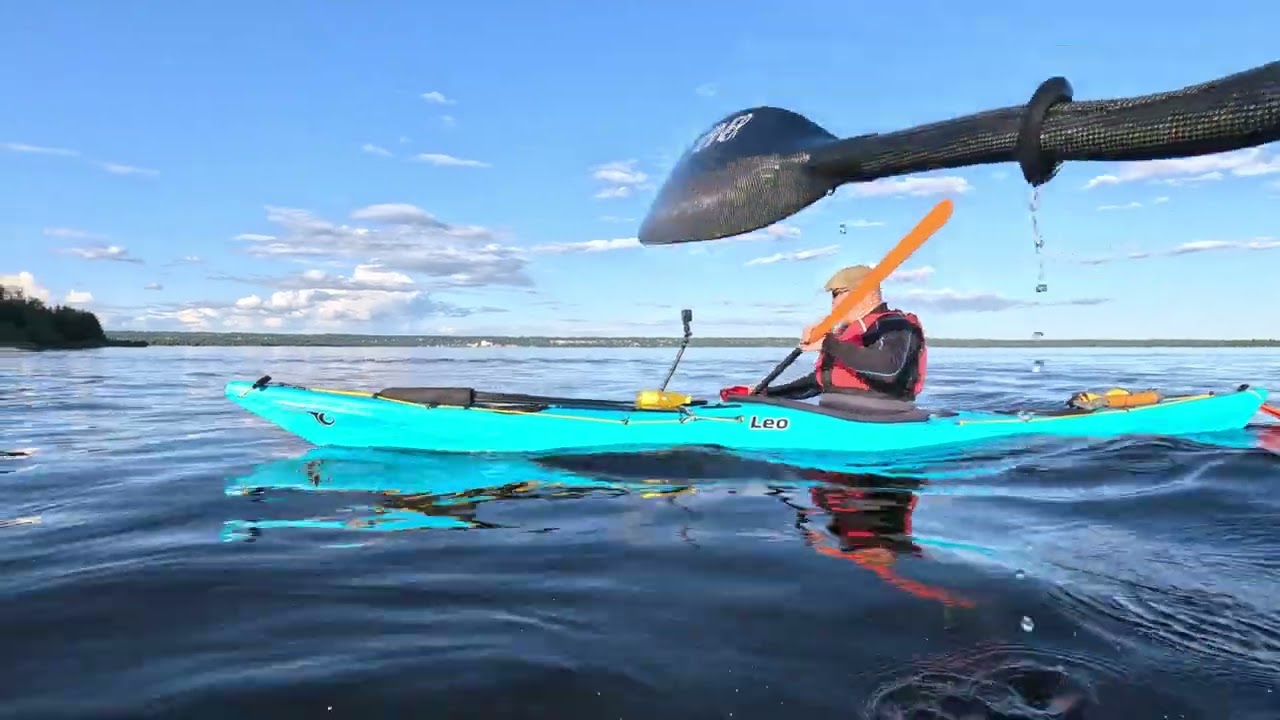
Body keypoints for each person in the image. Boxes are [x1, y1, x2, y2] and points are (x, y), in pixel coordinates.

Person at [757, 264, 927, 412]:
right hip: (835, 413)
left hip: (881, 416)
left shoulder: (895, 324)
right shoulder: (844, 335)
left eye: (837, 294)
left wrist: (828, 343)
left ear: (865, 294)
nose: (833, 303)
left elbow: (888, 367)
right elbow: (818, 382)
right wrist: (766, 393)